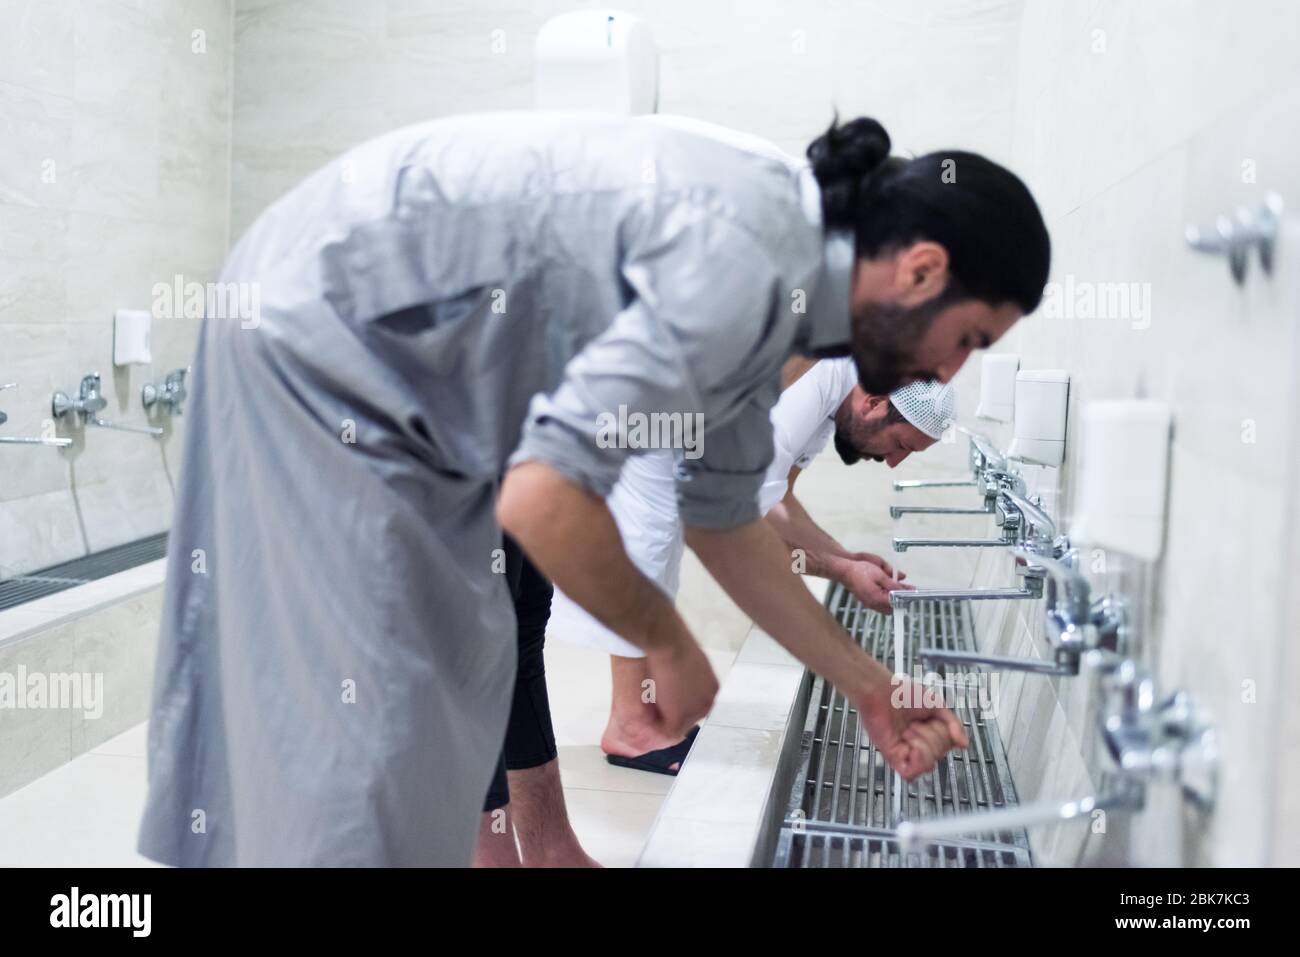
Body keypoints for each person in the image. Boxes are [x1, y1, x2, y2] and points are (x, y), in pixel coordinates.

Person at [138, 111, 1049, 866]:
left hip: (413, 373)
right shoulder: (752, 256)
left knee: (456, 680)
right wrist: (668, 640)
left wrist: (871, 687)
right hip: (324, 329)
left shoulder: (793, 286)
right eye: (968, 338)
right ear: (922, 270)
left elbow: (724, 515)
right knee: (371, 722)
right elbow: (543, 498)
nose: (946, 364)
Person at [550, 364, 958, 776]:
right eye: (900, 444)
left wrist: (846, 559)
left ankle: (640, 715)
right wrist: (841, 573)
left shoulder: (835, 397)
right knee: (645, 555)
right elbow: (741, 530)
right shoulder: (803, 396)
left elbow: (779, 502)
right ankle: (631, 728)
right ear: (873, 403)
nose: (893, 462)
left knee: (656, 558)